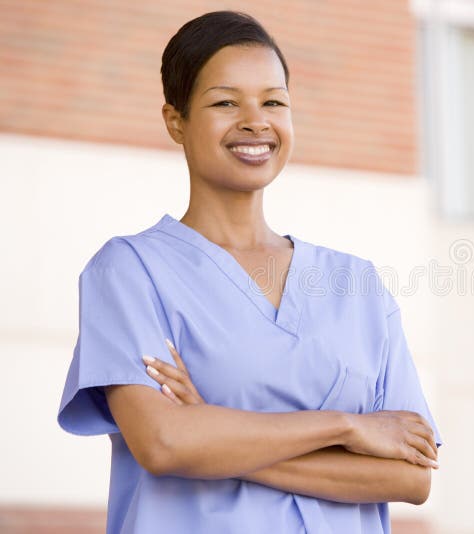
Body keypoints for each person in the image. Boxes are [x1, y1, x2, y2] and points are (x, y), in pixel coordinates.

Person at [56, 10, 442, 534]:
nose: (255, 120)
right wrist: (350, 427)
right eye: (225, 102)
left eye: (273, 101)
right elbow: (164, 444)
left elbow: (412, 478)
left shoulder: (356, 283)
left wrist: (213, 432)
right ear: (176, 120)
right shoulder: (130, 271)